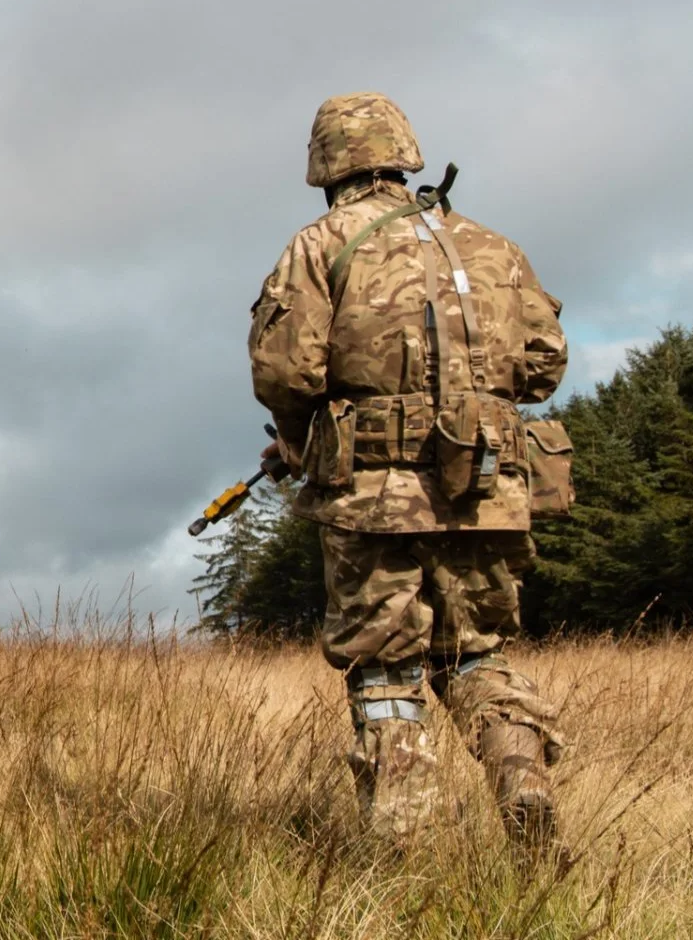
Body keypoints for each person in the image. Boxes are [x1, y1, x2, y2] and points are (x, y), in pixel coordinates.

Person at [248, 92, 571, 847]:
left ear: (326, 164)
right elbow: (545, 365)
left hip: (373, 500)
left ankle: (405, 849)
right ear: (404, 153)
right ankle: (523, 781)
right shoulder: (491, 246)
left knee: (387, 671)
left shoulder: (320, 245)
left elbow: (286, 373)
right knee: (479, 655)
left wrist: (298, 443)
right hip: (488, 490)